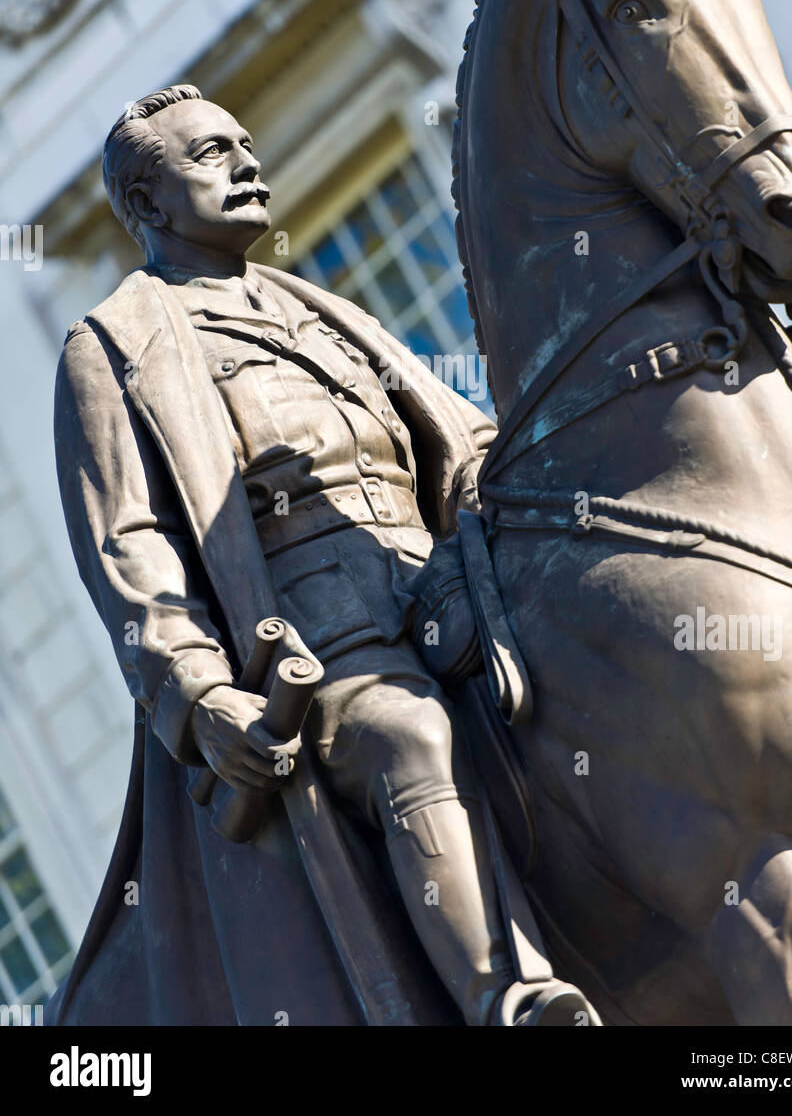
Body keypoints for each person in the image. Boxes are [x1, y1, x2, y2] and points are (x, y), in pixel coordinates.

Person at [47, 84, 591, 1027]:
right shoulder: (112, 345)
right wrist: (201, 694)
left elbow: (457, 437)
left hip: (443, 577)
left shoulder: (317, 307)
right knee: (405, 735)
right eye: (211, 155)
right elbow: (129, 547)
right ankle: (514, 998)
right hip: (320, 633)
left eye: (247, 144)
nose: (247, 163)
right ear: (146, 205)